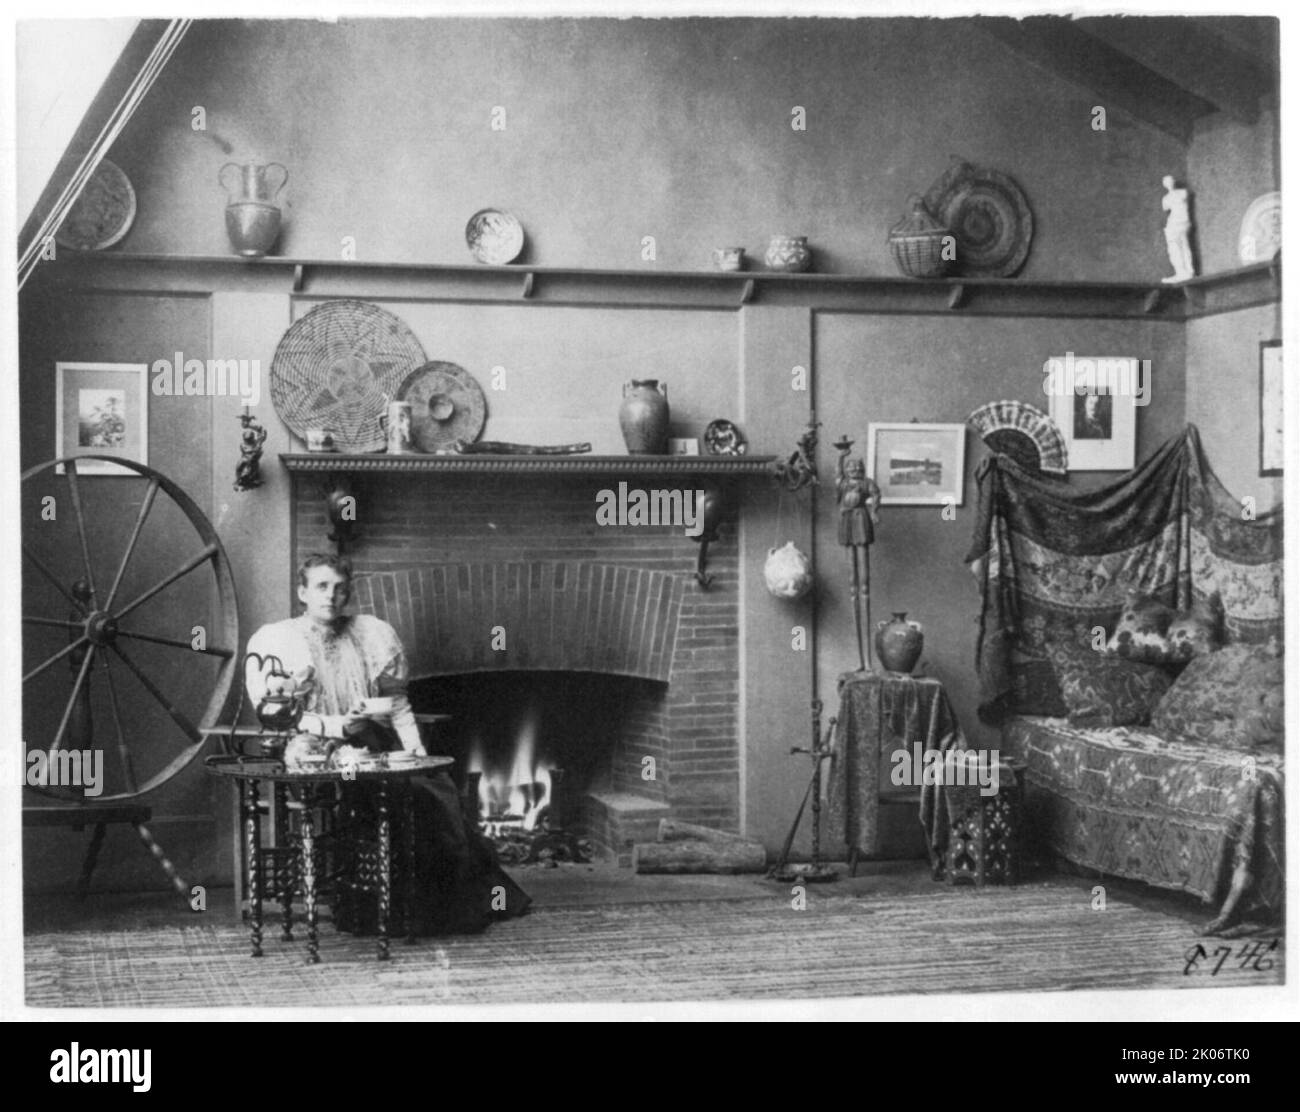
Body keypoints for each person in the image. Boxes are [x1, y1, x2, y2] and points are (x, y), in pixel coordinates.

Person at [244, 553, 531, 934]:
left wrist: (418, 755)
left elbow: (397, 704)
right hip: (313, 748)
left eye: (340, 588)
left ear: (349, 593)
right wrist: (336, 727)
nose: (331, 596)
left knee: (435, 790)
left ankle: (438, 908)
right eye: (321, 587)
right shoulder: (280, 640)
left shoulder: (370, 633)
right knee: (391, 796)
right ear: (302, 592)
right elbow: (282, 715)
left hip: (370, 742)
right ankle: (376, 908)